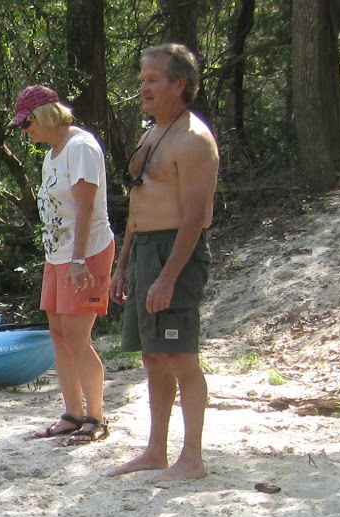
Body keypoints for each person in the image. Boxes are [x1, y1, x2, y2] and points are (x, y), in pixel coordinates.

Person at [106, 43, 220, 483]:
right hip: (144, 251)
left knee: (180, 355)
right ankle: (156, 451)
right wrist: (122, 265)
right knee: (153, 357)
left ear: (180, 84)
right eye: (142, 79)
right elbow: (139, 204)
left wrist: (168, 278)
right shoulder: (153, 133)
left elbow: (194, 218)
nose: (144, 87)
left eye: (153, 79)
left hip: (177, 253)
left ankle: (191, 459)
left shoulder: (194, 140)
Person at [12, 85, 116, 446]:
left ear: (43, 116)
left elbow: (87, 207)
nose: (25, 132)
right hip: (57, 255)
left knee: (77, 338)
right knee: (58, 337)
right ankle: (72, 414)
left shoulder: (81, 147)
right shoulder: (52, 153)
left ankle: (96, 418)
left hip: (84, 255)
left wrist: (78, 260)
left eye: (26, 124)